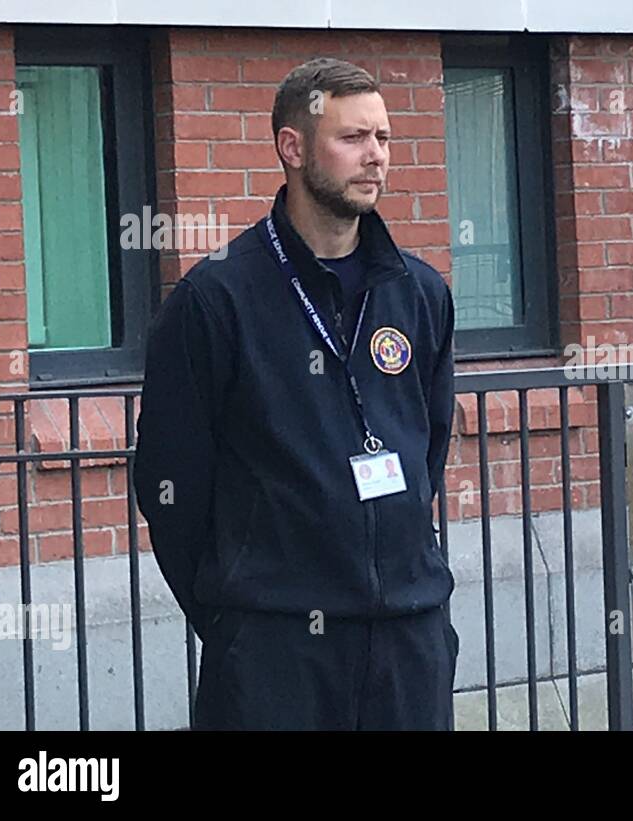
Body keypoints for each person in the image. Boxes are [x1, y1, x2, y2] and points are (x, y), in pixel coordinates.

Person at [134, 58, 458, 730]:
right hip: (275, 653)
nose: (375, 157)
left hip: (408, 642)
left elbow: (428, 449)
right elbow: (172, 485)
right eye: (353, 138)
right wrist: (238, 615)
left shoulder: (419, 294)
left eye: (384, 138)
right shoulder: (215, 300)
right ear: (292, 147)